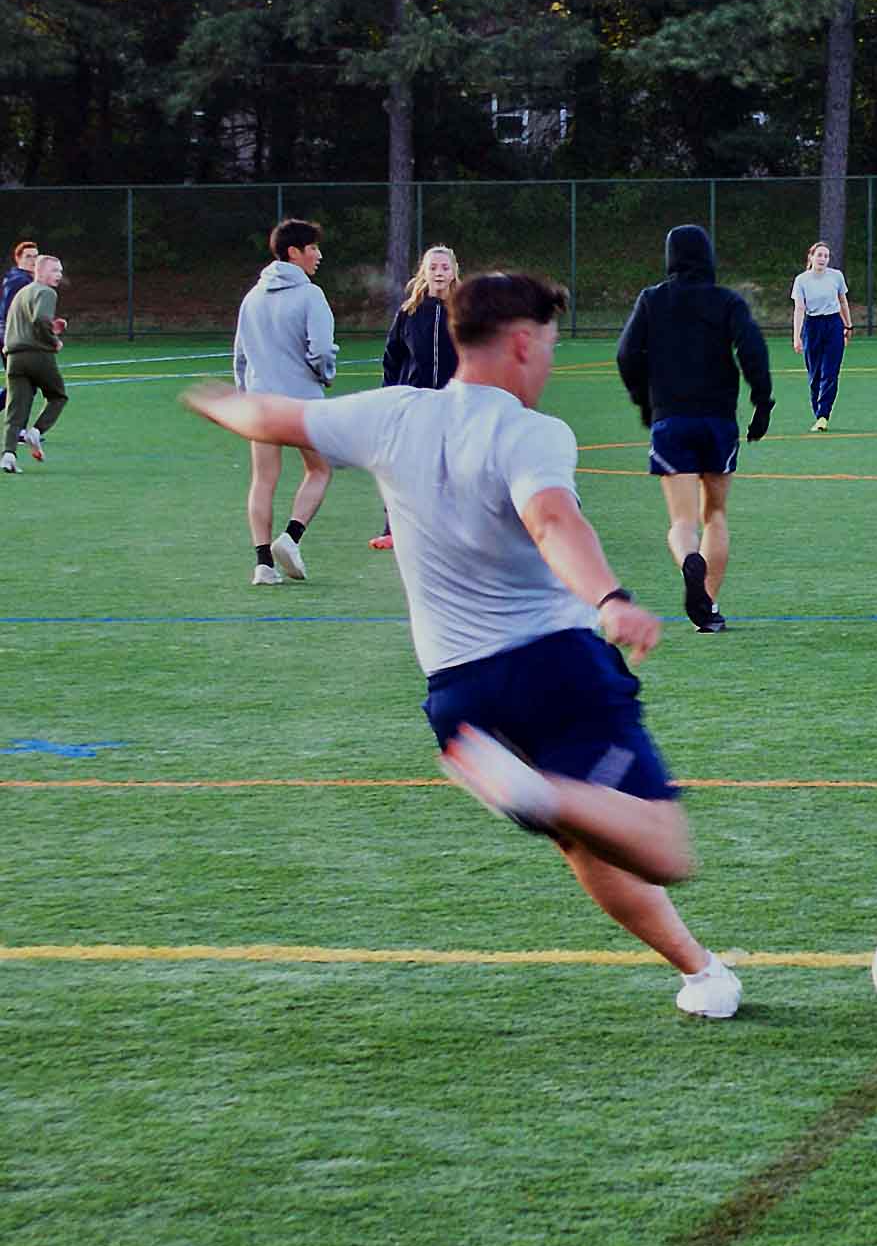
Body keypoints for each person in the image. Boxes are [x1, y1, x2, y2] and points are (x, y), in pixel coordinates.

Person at [182, 272, 741, 1019]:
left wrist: (212, 398)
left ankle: (700, 972)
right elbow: (552, 521)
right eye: (546, 344)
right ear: (519, 341)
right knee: (664, 846)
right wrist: (609, 597)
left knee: (582, 838)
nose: (548, 361)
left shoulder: (391, 414)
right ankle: (537, 791)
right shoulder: (531, 431)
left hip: (456, 696)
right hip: (555, 668)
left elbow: (266, 414)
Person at [616, 224, 773, 633]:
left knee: (682, 523)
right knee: (716, 514)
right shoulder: (726, 302)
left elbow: (627, 355)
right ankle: (710, 607)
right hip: (718, 420)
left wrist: (645, 401)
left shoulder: (651, 301)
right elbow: (752, 348)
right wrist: (762, 403)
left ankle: (689, 562)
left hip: (672, 420)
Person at [232, 218, 338, 585]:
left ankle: (263, 564)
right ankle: (290, 538)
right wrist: (323, 374)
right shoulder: (311, 295)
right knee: (320, 469)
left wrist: (246, 399)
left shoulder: (252, 298)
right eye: (313, 249)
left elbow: (240, 358)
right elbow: (322, 349)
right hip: (301, 404)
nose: (318, 256)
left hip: (260, 404)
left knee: (263, 479)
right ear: (295, 253)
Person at [372, 245, 461, 549]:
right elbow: (392, 358)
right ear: (424, 272)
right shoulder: (409, 312)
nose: (439, 273)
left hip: (454, 404)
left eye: (444, 268)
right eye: (433, 267)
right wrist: (390, 398)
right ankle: (393, 527)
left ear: (453, 273)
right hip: (414, 403)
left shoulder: (465, 313)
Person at [2, 254, 68, 475]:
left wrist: (51, 327)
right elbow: (40, 318)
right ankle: (36, 432)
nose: (59, 275)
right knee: (58, 396)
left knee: (15, 410)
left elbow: (26, 322)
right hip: (37, 355)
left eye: (60, 271)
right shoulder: (46, 292)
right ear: (39, 272)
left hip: (13, 357)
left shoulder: (21, 294)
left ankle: (8, 455)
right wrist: (53, 340)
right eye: (54, 270)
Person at [789, 241, 854, 432]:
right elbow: (799, 309)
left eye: (826, 256)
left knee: (830, 372)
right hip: (812, 326)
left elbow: (843, 301)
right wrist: (797, 336)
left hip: (833, 324)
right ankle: (817, 410)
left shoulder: (836, 277)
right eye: (819, 255)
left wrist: (848, 325)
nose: (823, 259)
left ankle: (823, 415)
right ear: (811, 257)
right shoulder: (802, 280)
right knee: (815, 374)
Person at [0, 240, 36, 330]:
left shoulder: (17, 276)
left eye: (35, 256)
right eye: (28, 257)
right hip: (13, 332)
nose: (33, 260)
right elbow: (7, 310)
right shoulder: (19, 280)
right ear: (18, 258)